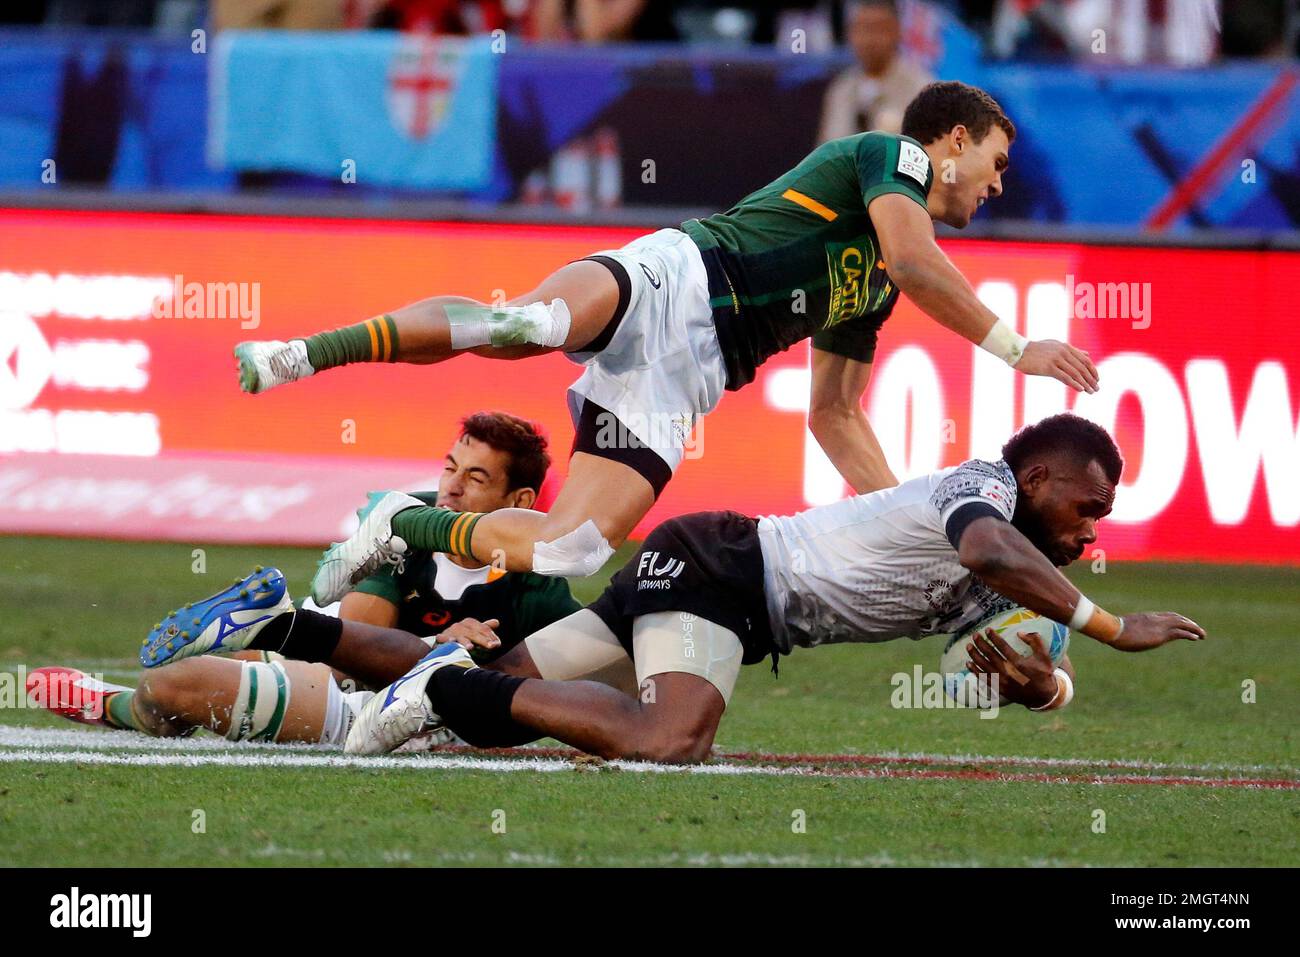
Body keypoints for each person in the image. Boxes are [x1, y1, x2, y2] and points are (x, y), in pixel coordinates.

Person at [231, 81, 1100, 607]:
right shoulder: (893, 157)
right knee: (525, 324)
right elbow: (919, 259)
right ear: (950, 142)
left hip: (687, 376)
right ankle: (304, 352)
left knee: (571, 549)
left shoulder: (870, 282)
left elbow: (835, 415)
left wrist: (921, 521)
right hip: (678, 277)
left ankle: (398, 521)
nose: (997, 180)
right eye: (994, 159)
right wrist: (1018, 348)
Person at [138, 415, 1204, 762]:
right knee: (669, 738)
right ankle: (446, 690)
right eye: (1084, 505)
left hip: (710, 567)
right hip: (729, 571)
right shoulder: (980, 497)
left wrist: (1031, 685)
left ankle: (287, 621)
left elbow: (1014, 674)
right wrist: (1114, 626)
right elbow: (986, 556)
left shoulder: (1031, 565)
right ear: (1034, 478)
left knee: (506, 701)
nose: (1089, 526)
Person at [28, 412, 580, 746]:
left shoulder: (538, 583)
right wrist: (442, 648)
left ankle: (133, 697)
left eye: (475, 478)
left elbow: (563, 683)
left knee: (179, 687)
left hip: (400, 711)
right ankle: (134, 700)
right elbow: (355, 646)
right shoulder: (406, 519)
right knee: (181, 684)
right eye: (449, 467)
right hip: (339, 669)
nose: (450, 489)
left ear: (520, 503)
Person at [818, 0, 934, 142]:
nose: (870, 40)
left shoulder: (921, 89)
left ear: (897, 32)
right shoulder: (841, 89)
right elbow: (824, 153)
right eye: (862, 29)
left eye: (879, 29)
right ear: (850, 33)